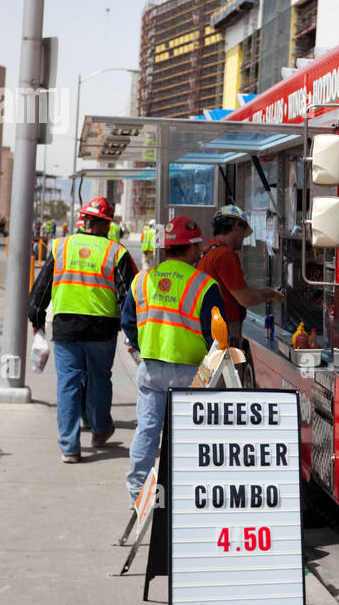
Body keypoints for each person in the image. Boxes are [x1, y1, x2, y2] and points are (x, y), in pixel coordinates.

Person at [121, 216, 225, 505]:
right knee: (191, 437)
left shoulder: (142, 281)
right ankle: (191, 495)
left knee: (147, 431)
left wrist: (143, 345)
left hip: (152, 368)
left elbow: (128, 322)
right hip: (193, 372)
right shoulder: (204, 285)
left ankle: (139, 495)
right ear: (191, 249)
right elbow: (217, 335)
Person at [28, 196, 138, 463]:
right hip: (102, 328)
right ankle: (100, 431)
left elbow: (41, 289)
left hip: (67, 328)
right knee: (100, 379)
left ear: (84, 220)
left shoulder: (62, 246)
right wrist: (132, 334)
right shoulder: (117, 252)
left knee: (68, 383)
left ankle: (69, 447)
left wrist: (37, 320)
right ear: (107, 224)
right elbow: (128, 298)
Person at [196, 205, 283, 347]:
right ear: (236, 226)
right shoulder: (225, 255)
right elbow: (245, 299)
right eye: (243, 232)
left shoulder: (207, 251)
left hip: (211, 326)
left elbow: (234, 291)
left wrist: (264, 291)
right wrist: (271, 294)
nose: (243, 238)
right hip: (224, 329)